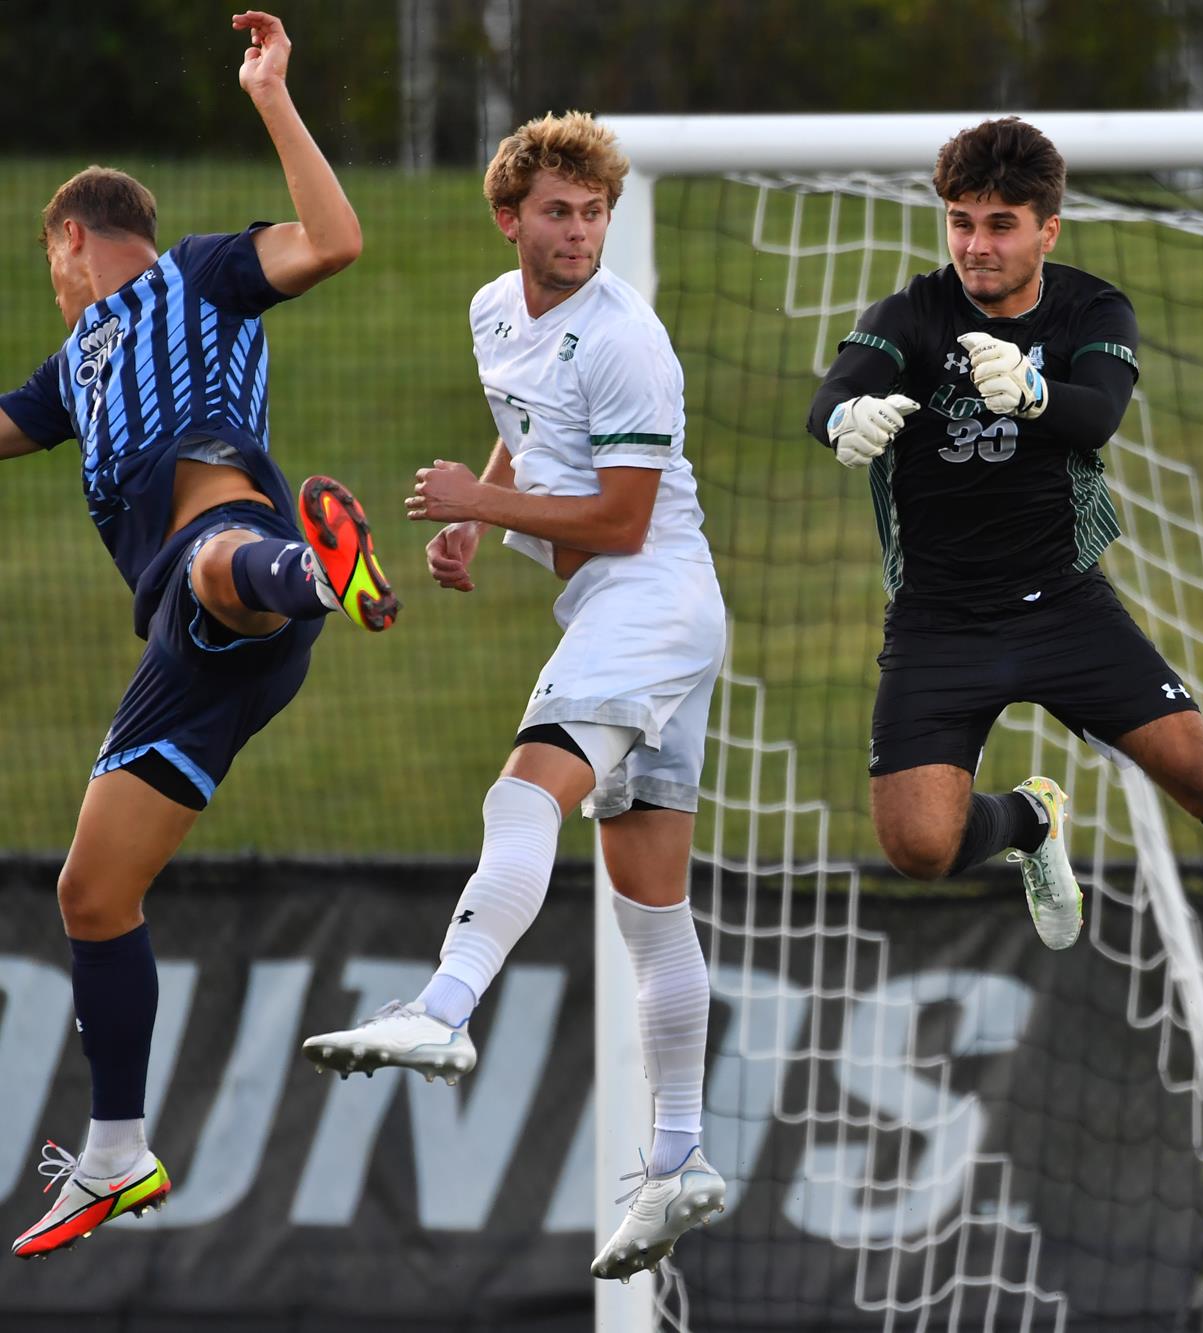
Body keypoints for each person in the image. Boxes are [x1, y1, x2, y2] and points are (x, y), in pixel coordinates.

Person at [806, 116, 1203, 1063]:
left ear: (1049, 230)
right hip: (939, 622)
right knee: (918, 848)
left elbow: (1098, 416)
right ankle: (1032, 818)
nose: (976, 246)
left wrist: (1032, 396)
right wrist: (847, 420)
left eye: (1000, 224)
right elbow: (830, 395)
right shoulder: (910, 313)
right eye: (960, 222)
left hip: (1064, 605)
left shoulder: (1090, 311)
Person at [298, 111, 725, 1281]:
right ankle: (680, 1153)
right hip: (632, 617)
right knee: (649, 907)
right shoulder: (495, 308)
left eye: (594, 213)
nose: (581, 232)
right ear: (512, 218)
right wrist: (481, 515)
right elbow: (525, 431)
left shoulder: (626, 340)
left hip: (650, 600)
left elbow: (622, 519)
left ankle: (443, 1005)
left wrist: (479, 510)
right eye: (559, 212)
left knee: (519, 791)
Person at [4, 11, 399, 1261]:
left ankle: (308, 564)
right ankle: (118, 1151)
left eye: (52, 260)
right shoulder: (72, 368)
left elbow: (335, 240)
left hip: (221, 550)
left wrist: (272, 95)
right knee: (94, 888)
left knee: (212, 540)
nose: (56, 285)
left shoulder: (197, 275)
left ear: (71, 235)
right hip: (195, 641)